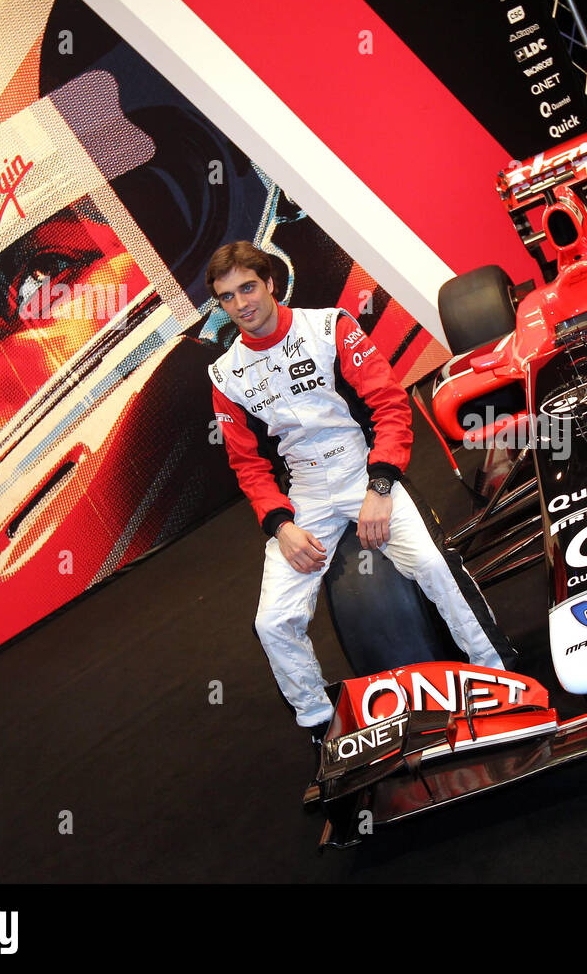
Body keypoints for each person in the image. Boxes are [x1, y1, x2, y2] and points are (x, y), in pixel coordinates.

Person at [205, 242, 511, 750]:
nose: (241, 304)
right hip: (303, 492)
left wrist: (380, 486)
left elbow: (390, 406)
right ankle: (324, 727)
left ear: (270, 283)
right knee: (273, 621)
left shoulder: (329, 327)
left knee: (433, 566)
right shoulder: (224, 374)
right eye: (227, 297)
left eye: (248, 288)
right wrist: (281, 526)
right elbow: (248, 465)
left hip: (360, 466)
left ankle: (497, 671)